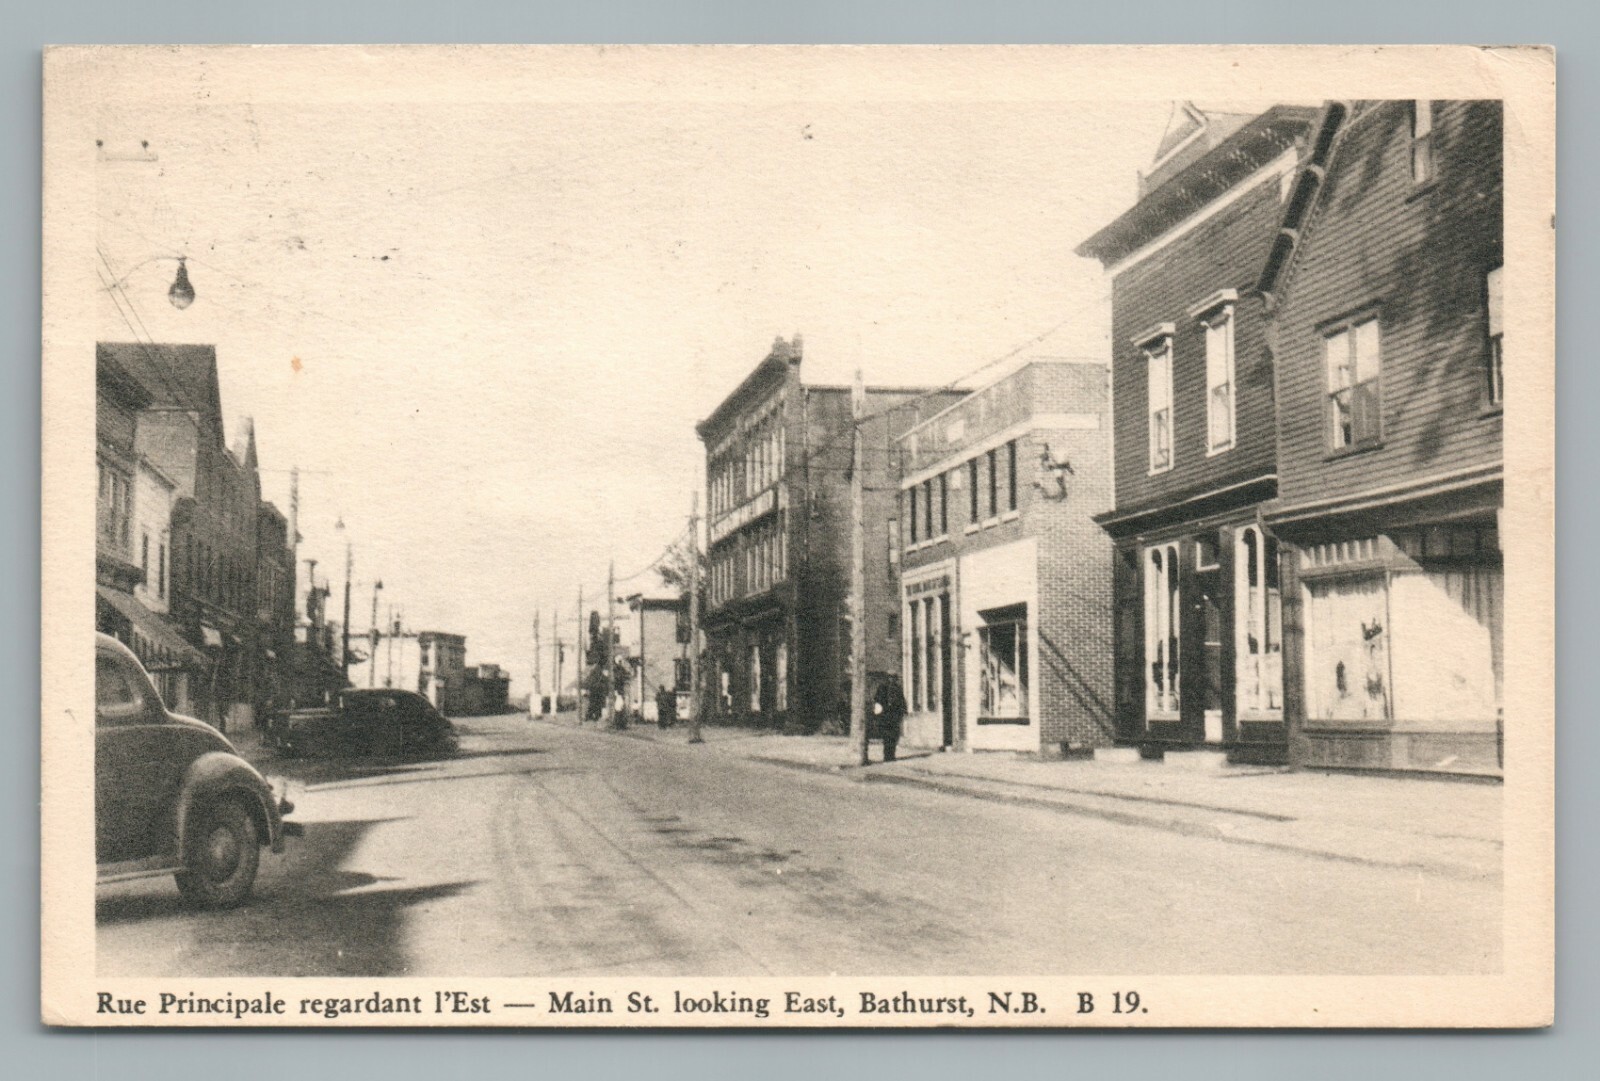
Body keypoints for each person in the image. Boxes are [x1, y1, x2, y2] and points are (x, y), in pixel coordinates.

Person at [870, 676, 907, 762]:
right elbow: (877, 701)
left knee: (894, 736)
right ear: (887, 678)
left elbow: (902, 700)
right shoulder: (882, 688)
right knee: (886, 736)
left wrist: (903, 711)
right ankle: (887, 756)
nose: (892, 679)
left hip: (894, 716)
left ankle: (892, 755)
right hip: (885, 716)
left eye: (893, 678)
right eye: (890, 677)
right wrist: (878, 713)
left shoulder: (898, 688)